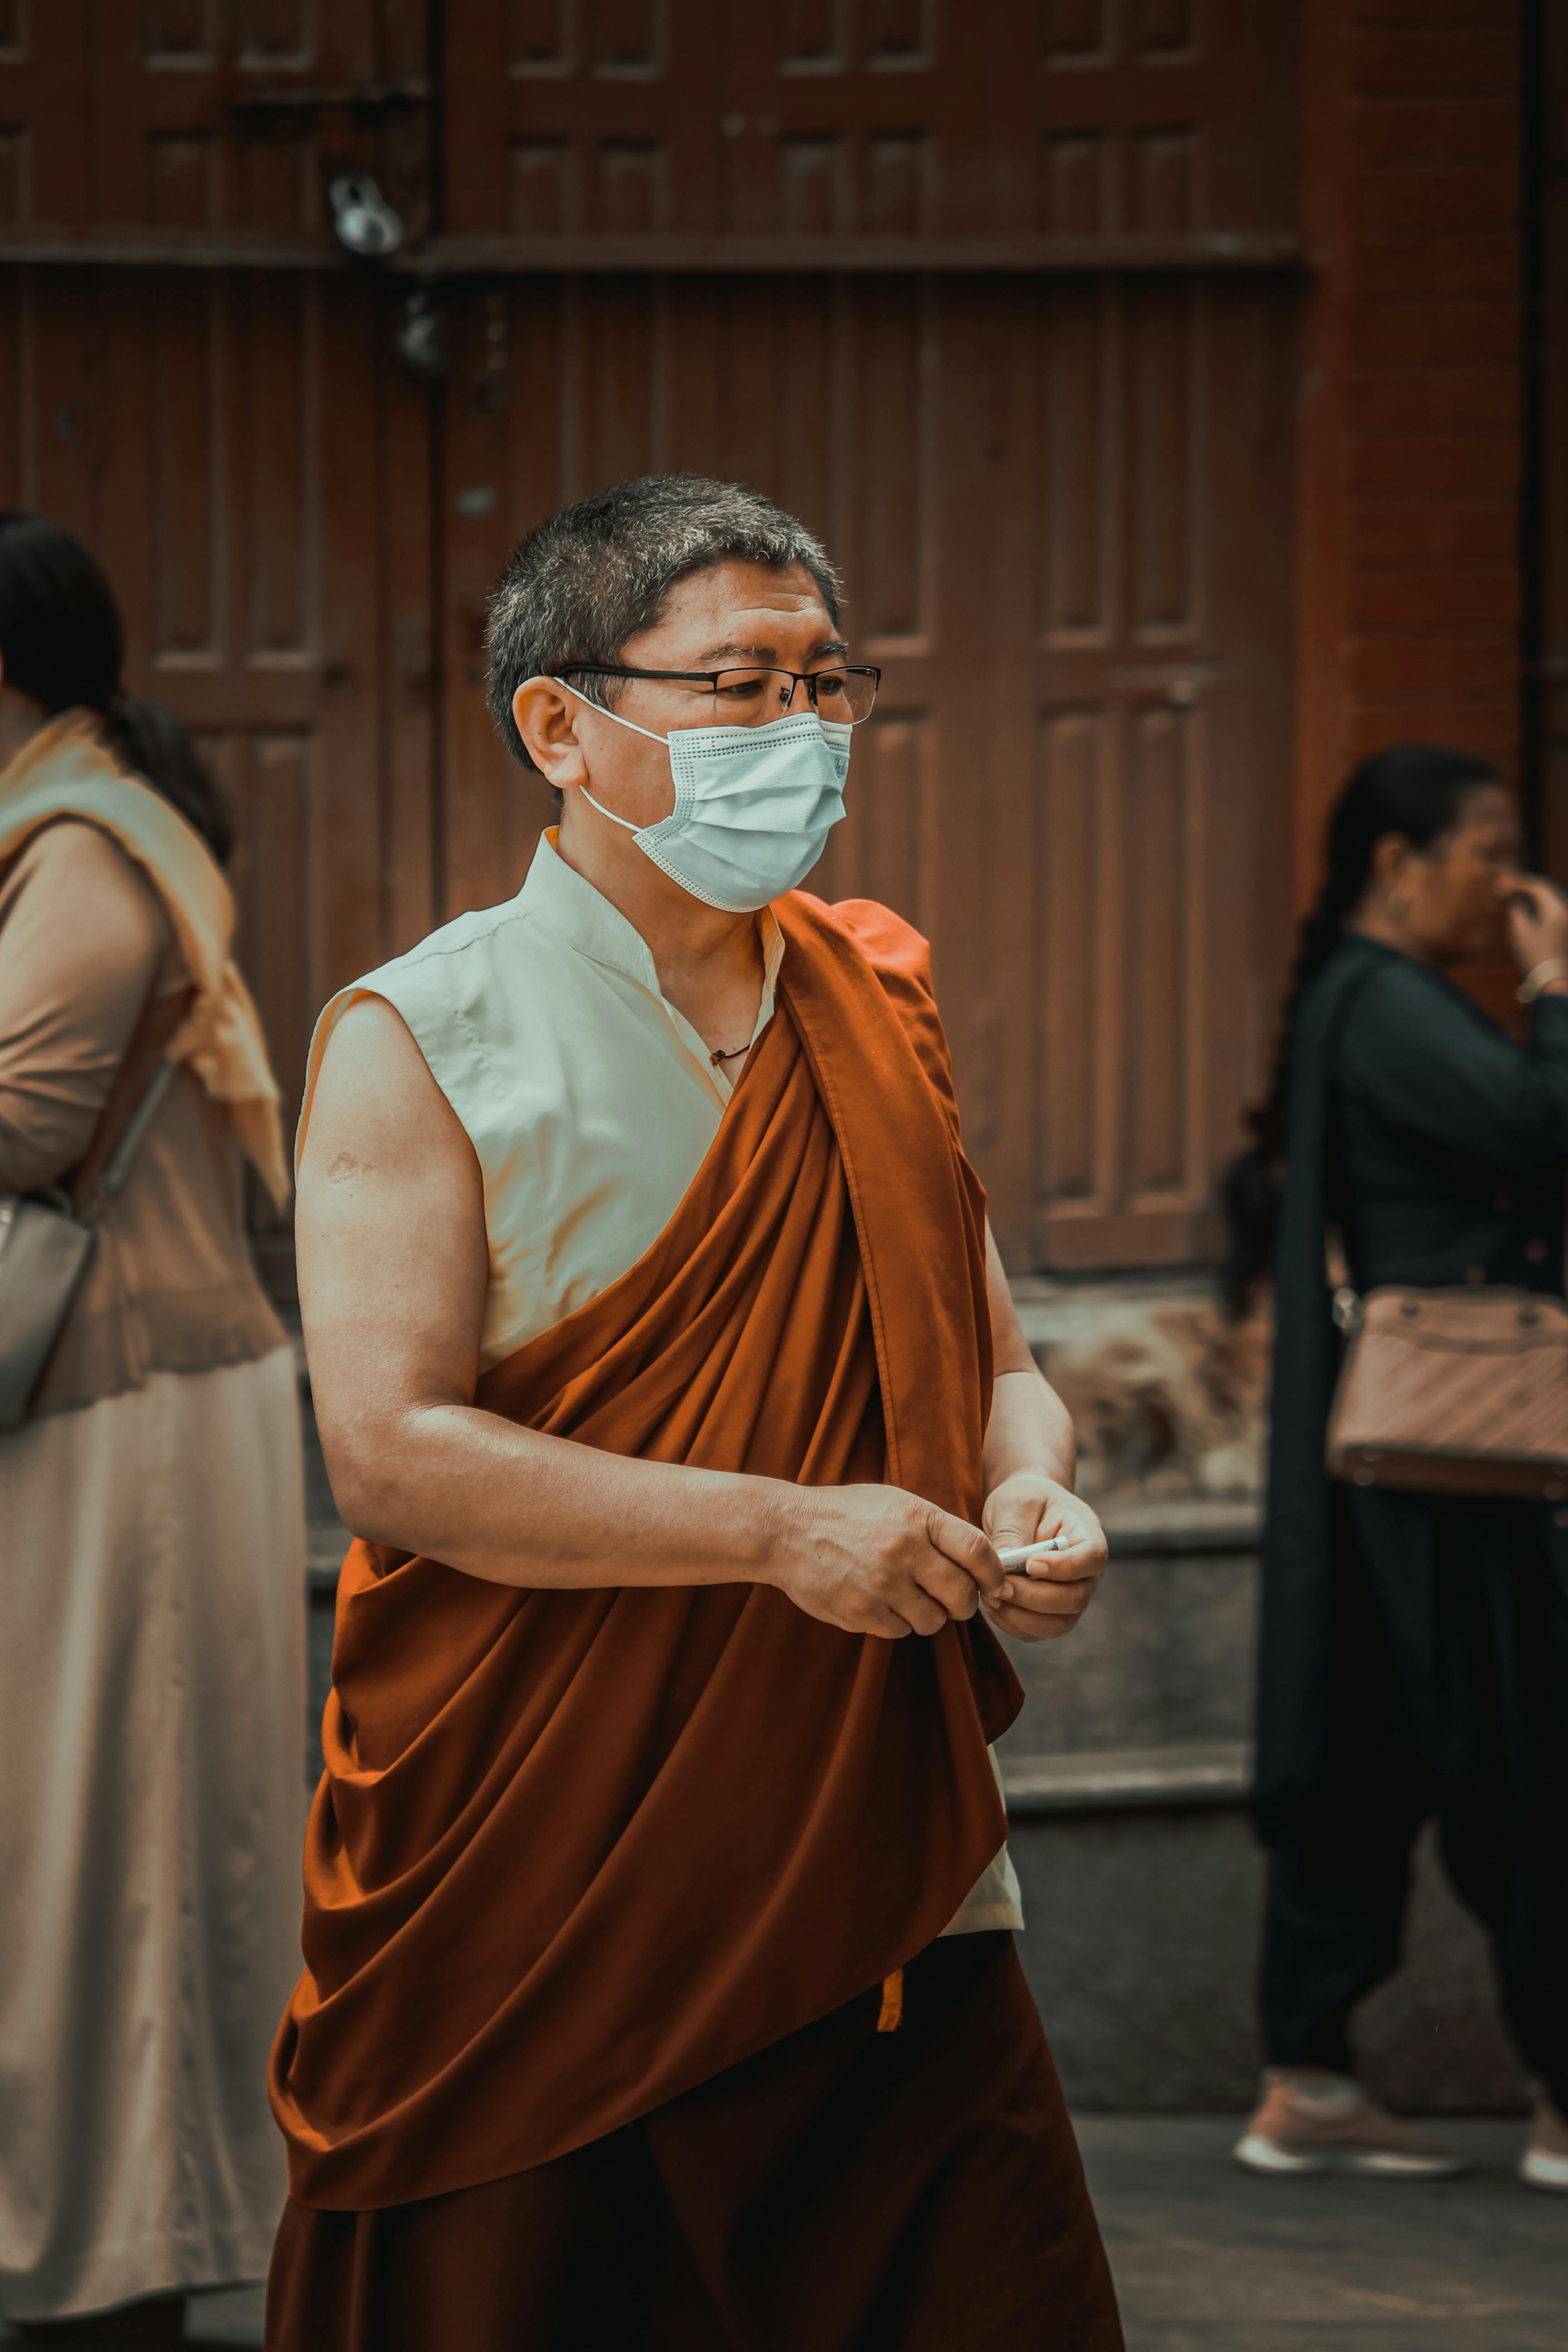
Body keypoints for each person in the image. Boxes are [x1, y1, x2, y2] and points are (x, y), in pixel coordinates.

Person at [265, 475, 1124, 2349]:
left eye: (827, 682)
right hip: (549, 1845)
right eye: (738, 685)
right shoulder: (422, 1033)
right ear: (559, 725)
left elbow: (996, 1366)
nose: (800, 730)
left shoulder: (872, 997)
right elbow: (391, 1454)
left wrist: (1035, 1492)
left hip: (872, 1827)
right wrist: (779, 1529)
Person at [0, 517, 308, 2339]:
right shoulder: (70, 826)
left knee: (117, 1848)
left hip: (134, 1409)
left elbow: (26, 1118)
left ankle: (122, 2254)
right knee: (86, 1843)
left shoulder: (86, 846)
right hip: (101, 1394)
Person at [1226, 744, 1568, 2190]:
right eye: (1486, 849)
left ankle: (1310, 2081)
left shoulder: (1366, 999)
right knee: (1528, 1754)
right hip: (1461, 1451)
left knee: (1372, 1746)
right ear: (1397, 862)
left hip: (1415, 1456)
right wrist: (1556, 993)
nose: (1507, 881)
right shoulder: (1386, 1001)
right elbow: (1542, 1133)